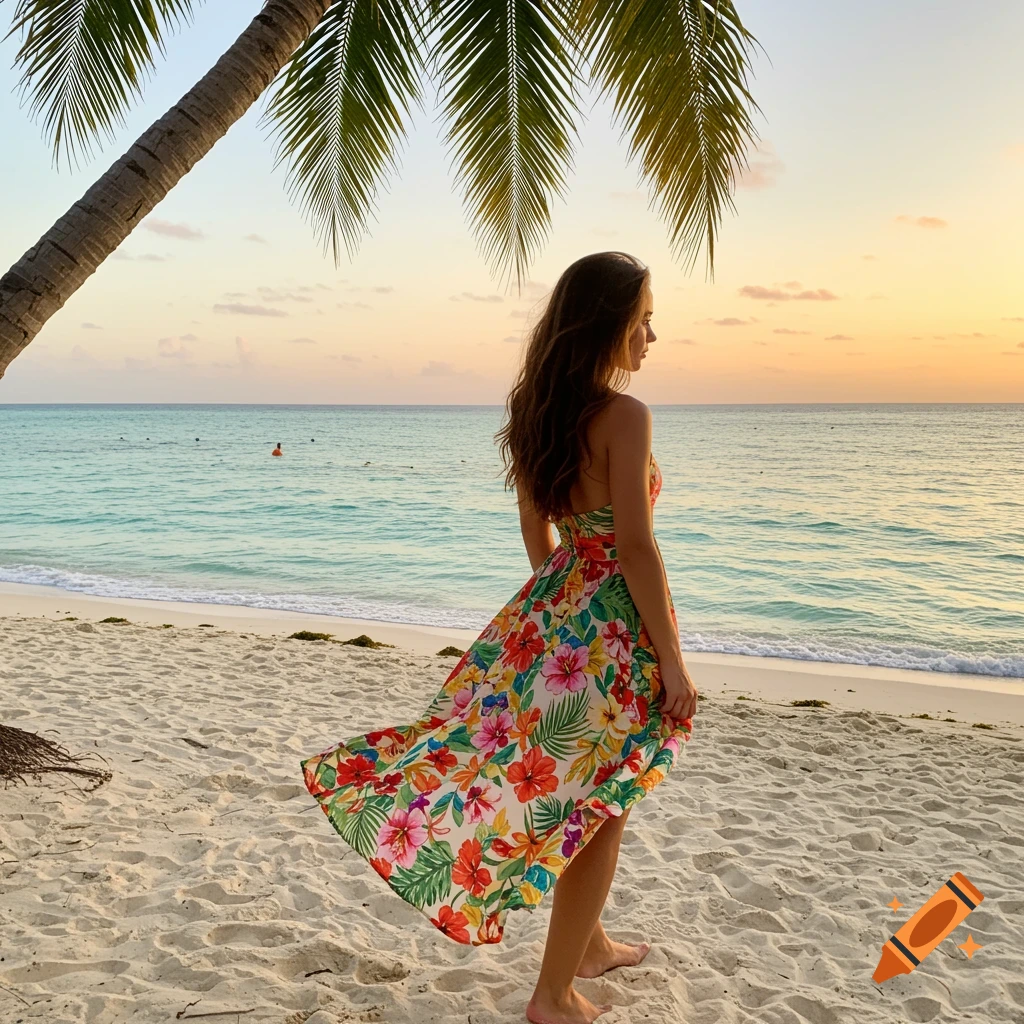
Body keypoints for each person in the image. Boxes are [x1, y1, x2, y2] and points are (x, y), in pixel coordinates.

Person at [300, 251, 698, 1024]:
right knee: (604, 803)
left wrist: (557, 619)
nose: (653, 334)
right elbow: (637, 549)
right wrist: (670, 661)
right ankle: (552, 996)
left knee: (579, 789)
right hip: (616, 632)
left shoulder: (534, 410)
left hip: (555, 616)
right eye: (645, 317)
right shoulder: (626, 415)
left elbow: (537, 530)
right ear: (609, 321)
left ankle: (588, 947)